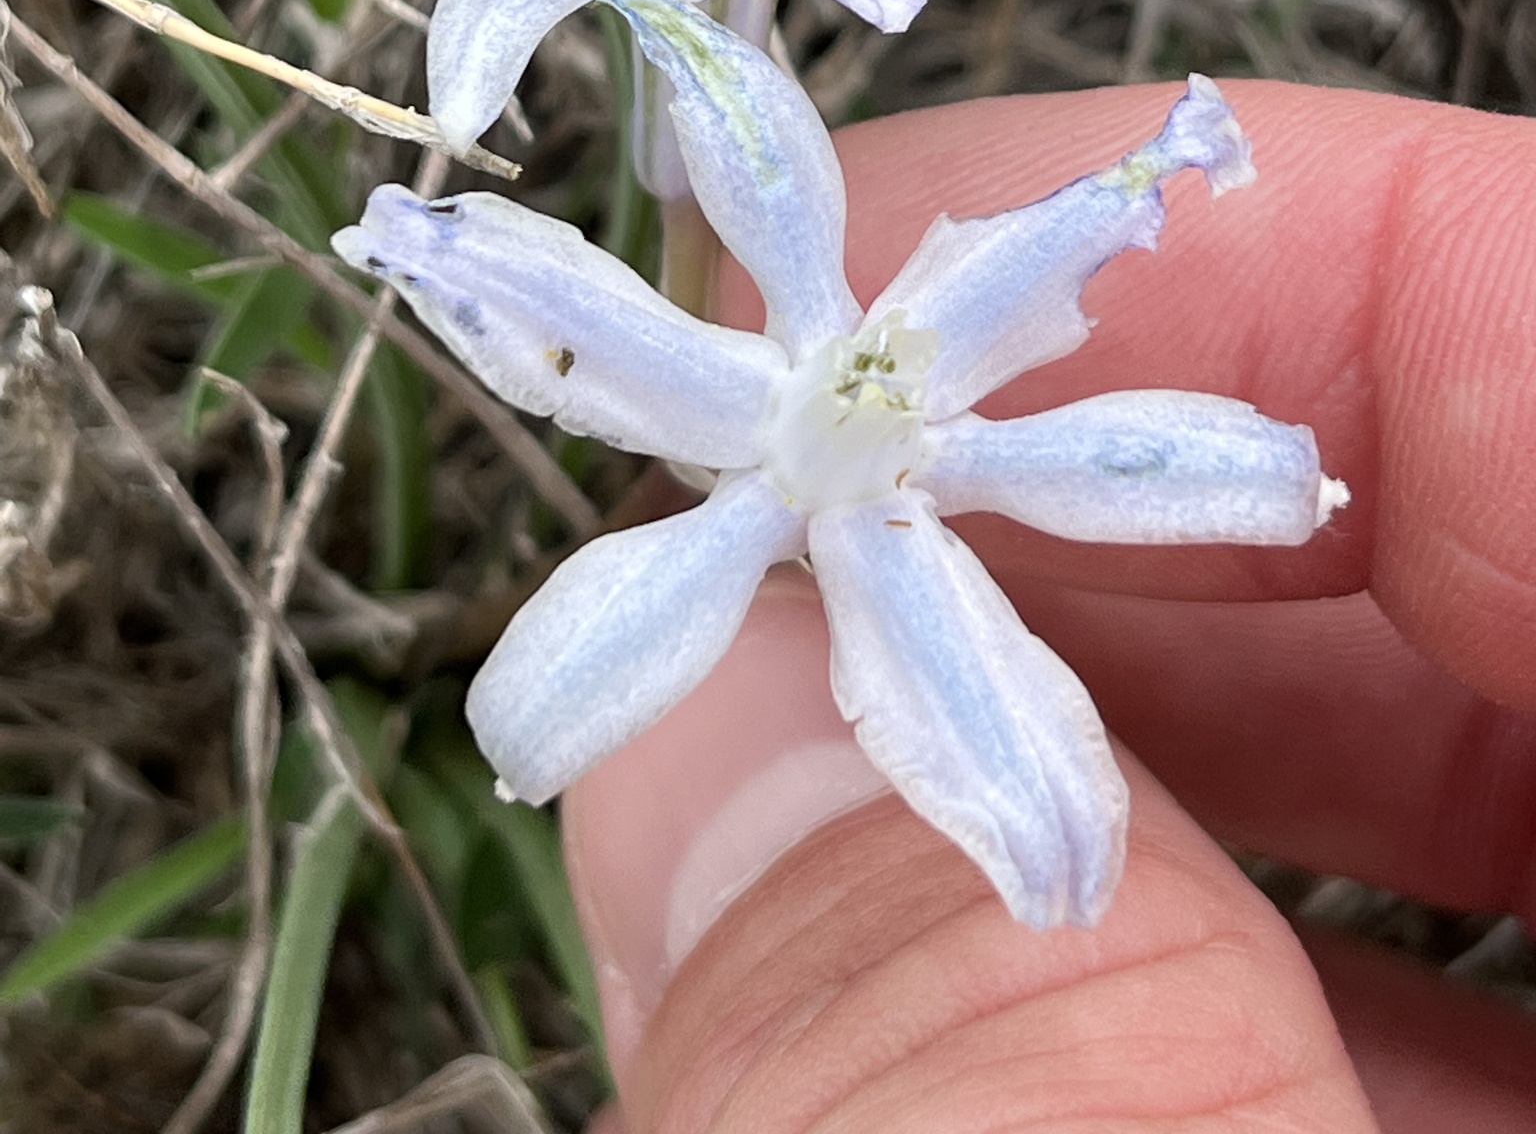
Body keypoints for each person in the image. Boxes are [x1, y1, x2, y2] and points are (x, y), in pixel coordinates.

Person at [562, 80, 1536, 1133]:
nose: (874, 386)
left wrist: (1160, 172)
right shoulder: (759, 421)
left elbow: (1231, 451)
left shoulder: (906, 525)